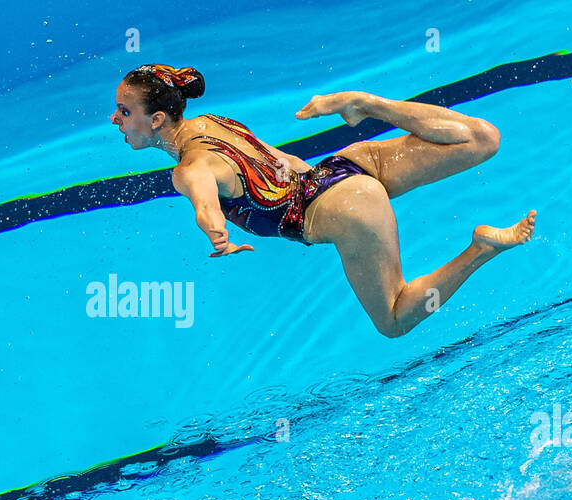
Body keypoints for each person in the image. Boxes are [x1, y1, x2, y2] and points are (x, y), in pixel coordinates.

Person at [110, 64, 535, 338]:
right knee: (481, 139)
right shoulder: (212, 122)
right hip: (343, 167)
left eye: (124, 112)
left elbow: (204, 202)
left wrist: (217, 234)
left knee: (394, 319)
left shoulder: (187, 168)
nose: (116, 119)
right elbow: (288, 162)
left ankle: (481, 249)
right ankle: (367, 105)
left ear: (158, 120)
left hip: (344, 208)